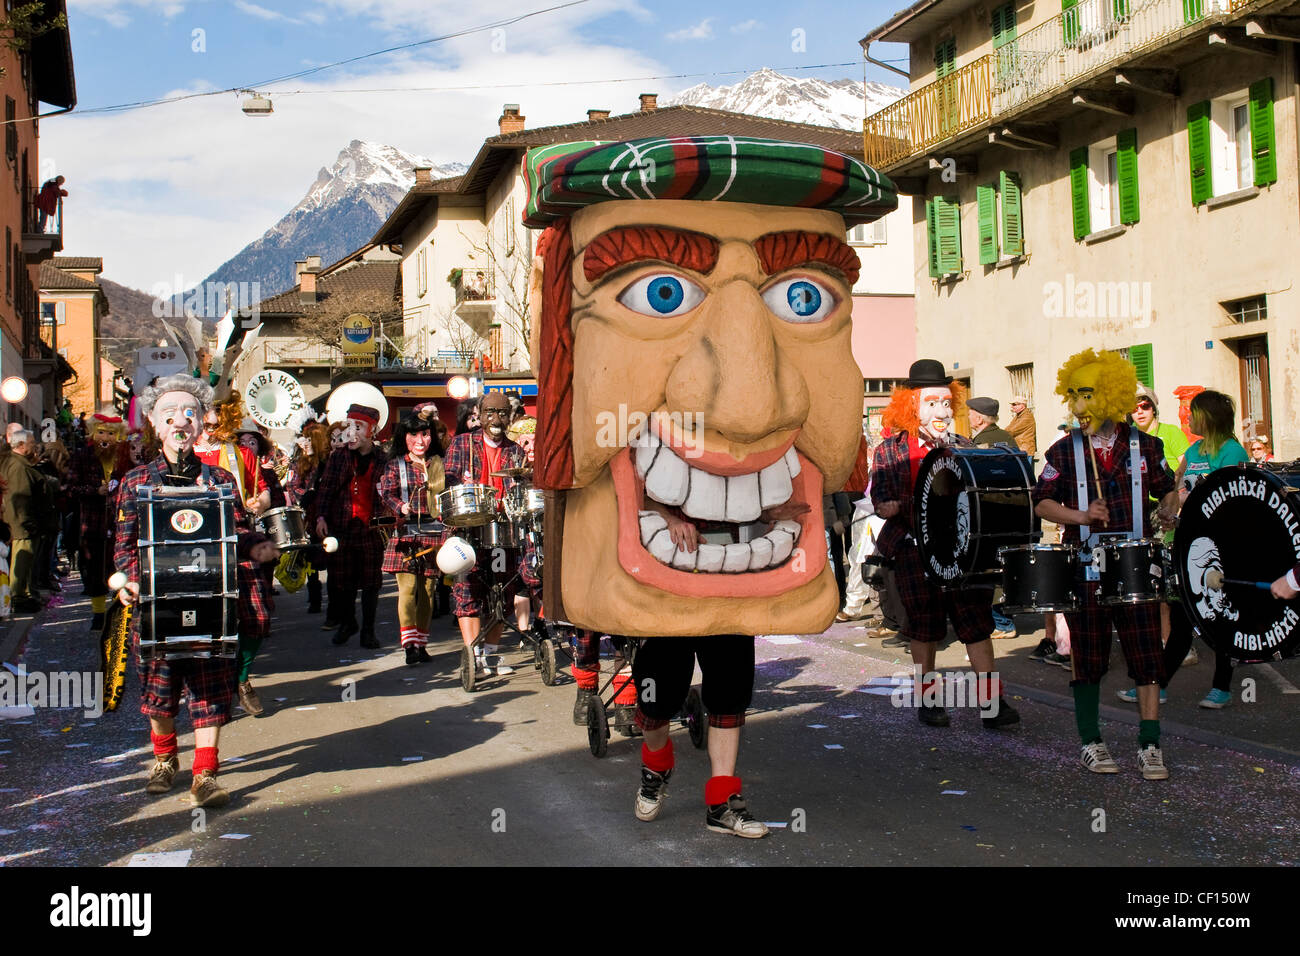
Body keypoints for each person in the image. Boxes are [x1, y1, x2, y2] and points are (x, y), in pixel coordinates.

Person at [523, 135, 896, 836]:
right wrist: (673, 519)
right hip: (674, 585)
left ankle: (725, 797)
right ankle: (657, 762)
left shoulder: (776, 464)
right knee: (658, 696)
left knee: (729, 696)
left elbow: (773, 493)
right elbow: (676, 482)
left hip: (735, 575)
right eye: (660, 292)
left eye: (804, 297)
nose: (752, 408)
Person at [113, 373, 278, 808]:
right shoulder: (136, 483)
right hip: (157, 604)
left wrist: (258, 546)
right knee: (161, 693)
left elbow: (237, 531)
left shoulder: (221, 480)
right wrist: (128, 579)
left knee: (210, 688)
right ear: (153, 421)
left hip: (210, 601)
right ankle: (166, 758)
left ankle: (205, 773)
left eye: (189, 413)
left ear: (202, 420)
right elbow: (124, 546)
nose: (180, 422)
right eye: (170, 414)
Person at [1032, 349, 1176, 780]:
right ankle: (1090, 741)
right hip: (1086, 568)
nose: (1079, 406)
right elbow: (1042, 504)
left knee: (1148, 657)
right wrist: (1080, 516)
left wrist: (1168, 508)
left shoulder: (1148, 445)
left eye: (1088, 395)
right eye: (1074, 396)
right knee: (1088, 657)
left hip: (1135, 566)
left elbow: (1168, 489)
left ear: (1111, 397)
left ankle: (1150, 745)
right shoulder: (1062, 450)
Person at [871, 360, 1021, 727]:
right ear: (911, 407)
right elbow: (882, 496)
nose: (941, 412)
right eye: (931, 403)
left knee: (976, 622)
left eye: (945, 404)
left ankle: (992, 704)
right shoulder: (889, 451)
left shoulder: (966, 447)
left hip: (961, 550)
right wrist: (893, 505)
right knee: (924, 625)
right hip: (913, 548)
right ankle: (929, 700)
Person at [1138, 390, 1249, 710]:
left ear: (1210, 417)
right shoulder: (1193, 449)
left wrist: (1186, 498)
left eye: (1194, 412)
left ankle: (1222, 688)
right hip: (1188, 544)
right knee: (1182, 618)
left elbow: (1231, 495)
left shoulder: (1232, 451)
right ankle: (1158, 685)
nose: (1188, 418)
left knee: (1223, 614)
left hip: (1222, 545)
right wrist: (1170, 511)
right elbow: (1176, 485)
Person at [444, 391, 527, 679]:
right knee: (468, 591)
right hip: (467, 529)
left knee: (503, 592)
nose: (496, 419)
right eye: (490, 412)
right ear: (479, 414)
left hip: (502, 531)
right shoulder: (461, 444)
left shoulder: (516, 451)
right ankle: (473, 655)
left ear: (510, 417)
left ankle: (490, 655)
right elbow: (450, 481)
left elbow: (519, 490)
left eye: (503, 413)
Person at [312, 404, 388, 648]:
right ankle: (348, 622)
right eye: (348, 426)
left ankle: (368, 630)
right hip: (341, 527)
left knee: (371, 583)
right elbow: (325, 490)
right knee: (341, 580)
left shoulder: (382, 459)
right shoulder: (339, 457)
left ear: (372, 430)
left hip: (370, 529)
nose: (350, 432)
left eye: (358, 427)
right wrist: (321, 517)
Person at [378, 407, 446, 666]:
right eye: (414, 435)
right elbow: (386, 492)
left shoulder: (439, 463)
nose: (420, 441)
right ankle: (409, 645)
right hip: (406, 531)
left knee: (428, 589)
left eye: (425, 435)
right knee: (408, 589)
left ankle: (422, 642)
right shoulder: (395, 464)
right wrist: (400, 507)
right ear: (404, 437)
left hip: (434, 531)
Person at [68, 413, 130, 629]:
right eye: (101, 432)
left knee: (119, 568)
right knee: (94, 572)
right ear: (93, 433)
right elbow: (72, 488)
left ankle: (119, 610)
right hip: (92, 524)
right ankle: (98, 613)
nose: (106, 437)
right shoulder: (82, 455)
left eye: (111, 433)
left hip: (119, 524)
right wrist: (95, 490)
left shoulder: (123, 457)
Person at [286, 419, 330, 614]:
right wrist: (303, 498)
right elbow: (293, 485)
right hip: (307, 516)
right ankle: (314, 599)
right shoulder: (300, 462)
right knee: (310, 558)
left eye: (309, 439)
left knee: (331, 557)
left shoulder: (329, 462)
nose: (305, 442)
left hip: (328, 512)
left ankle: (335, 600)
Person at [0, 430, 46, 613]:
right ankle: (17, 597)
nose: (34, 445)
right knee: (21, 561)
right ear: (21, 445)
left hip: (22, 523)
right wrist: (27, 522)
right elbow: (19, 498)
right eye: (31, 442)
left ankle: (23, 594)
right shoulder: (17, 466)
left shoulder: (20, 463)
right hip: (21, 525)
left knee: (25, 562)